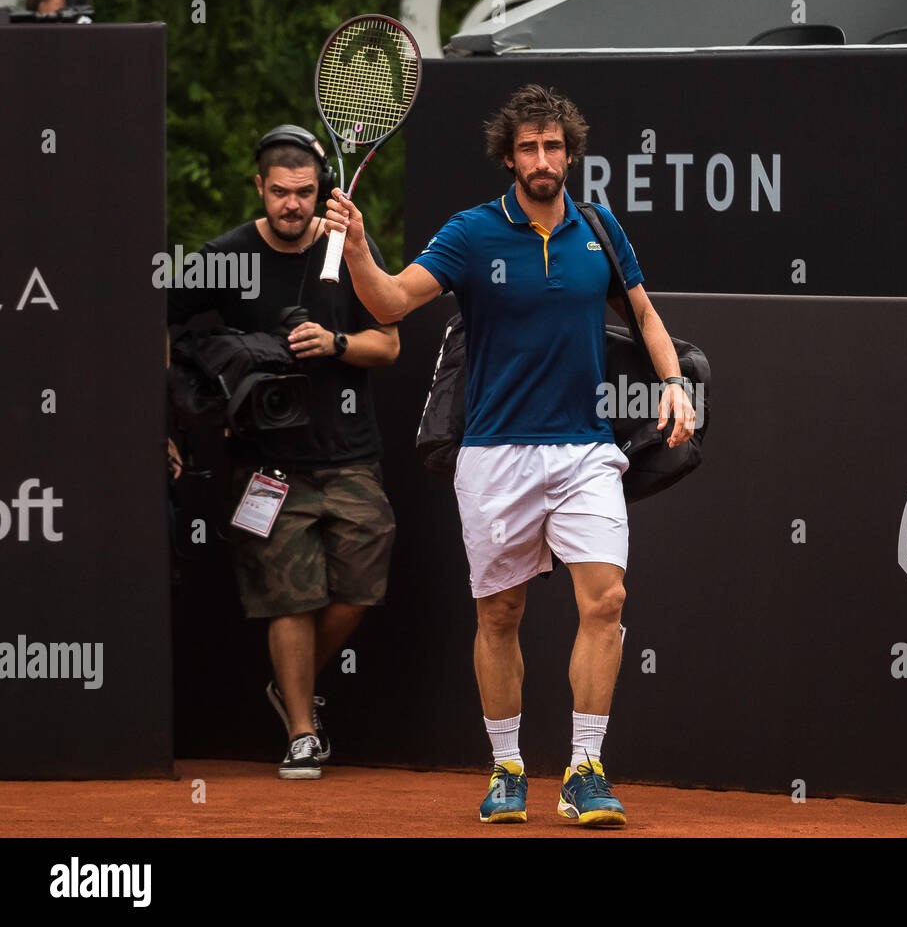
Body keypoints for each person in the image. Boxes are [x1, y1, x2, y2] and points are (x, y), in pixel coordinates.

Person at [325, 84, 695, 827]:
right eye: (528, 147)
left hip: (586, 450)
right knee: (499, 614)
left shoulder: (599, 227)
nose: (542, 159)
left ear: (571, 151)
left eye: (553, 145)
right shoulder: (470, 234)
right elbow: (393, 302)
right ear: (508, 156)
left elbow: (647, 316)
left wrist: (676, 383)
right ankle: (507, 769)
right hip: (495, 454)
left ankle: (586, 768)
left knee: (609, 601)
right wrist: (360, 250)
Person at [167, 125, 399, 780]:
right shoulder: (226, 256)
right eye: (279, 193)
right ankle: (301, 730)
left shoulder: (346, 245)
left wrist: (336, 343)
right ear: (259, 188)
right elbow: (160, 318)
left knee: (357, 588)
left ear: (320, 189)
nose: (292, 205)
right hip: (263, 463)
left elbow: (391, 343)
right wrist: (170, 414)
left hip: (351, 453)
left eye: (303, 192)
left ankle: (287, 683)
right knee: (288, 597)